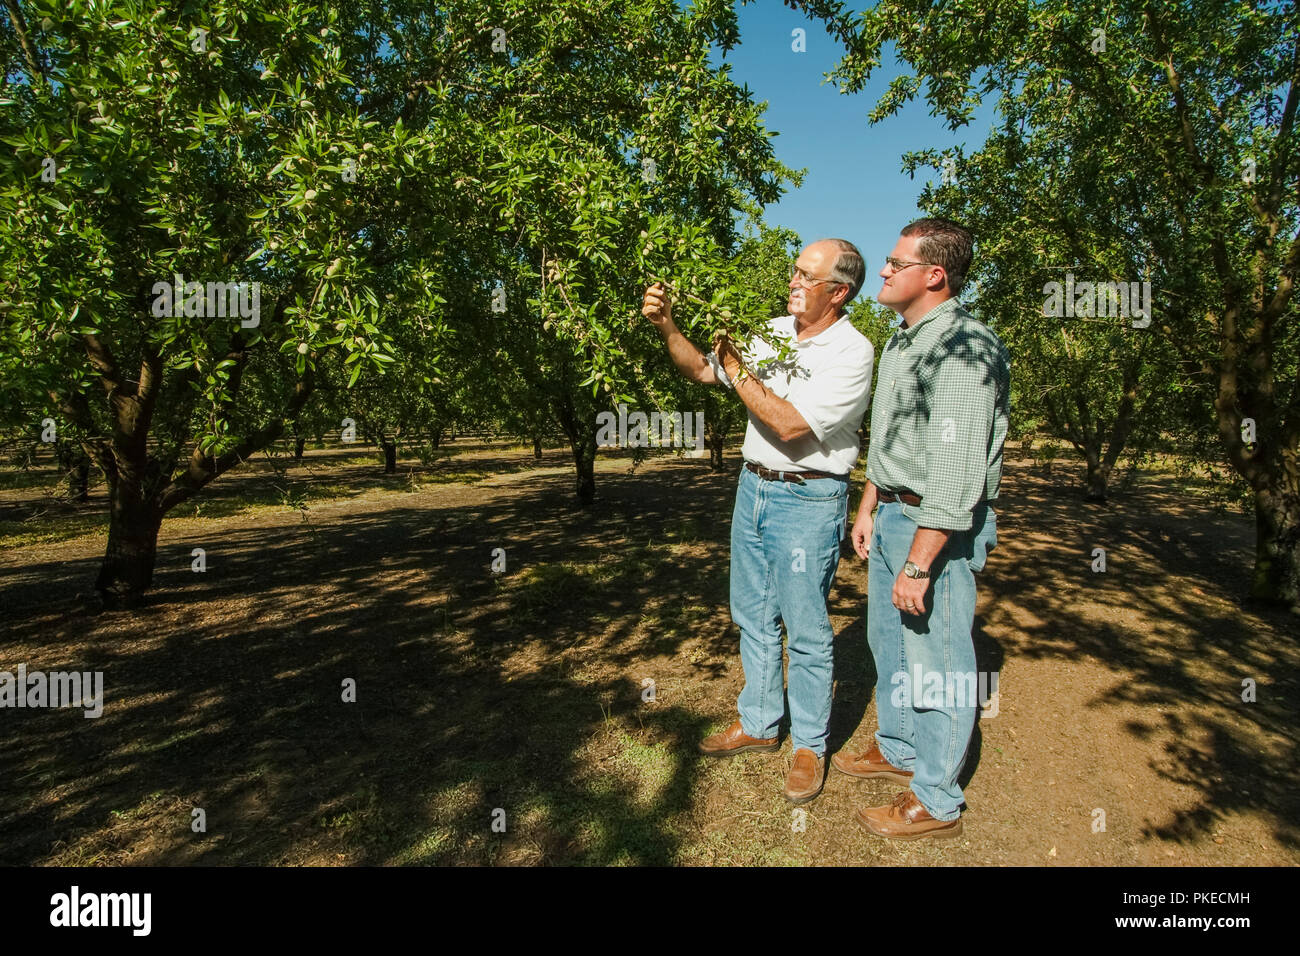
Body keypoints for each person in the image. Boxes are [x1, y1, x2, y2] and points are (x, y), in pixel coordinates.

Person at [641, 239, 873, 805]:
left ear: (838, 292)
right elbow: (701, 369)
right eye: (793, 270)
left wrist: (738, 368)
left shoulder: (853, 351)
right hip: (754, 488)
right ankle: (761, 722)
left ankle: (810, 746)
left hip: (807, 500)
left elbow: (791, 425)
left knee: (809, 629)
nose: (793, 281)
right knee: (752, 614)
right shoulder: (771, 331)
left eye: (806, 276)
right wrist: (668, 325)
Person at [833, 218, 1009, 839]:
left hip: (935, 526)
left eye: (893, 262)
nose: (881, 271)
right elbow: (892, 439)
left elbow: (958, 470)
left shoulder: (964, 346)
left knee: (936, 663)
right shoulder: (904, 341)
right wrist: (869, 505)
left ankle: (935, 799)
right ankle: (900, 747)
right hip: (892, 514)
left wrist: (919, 560)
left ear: (933, 275)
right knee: (890, 643)